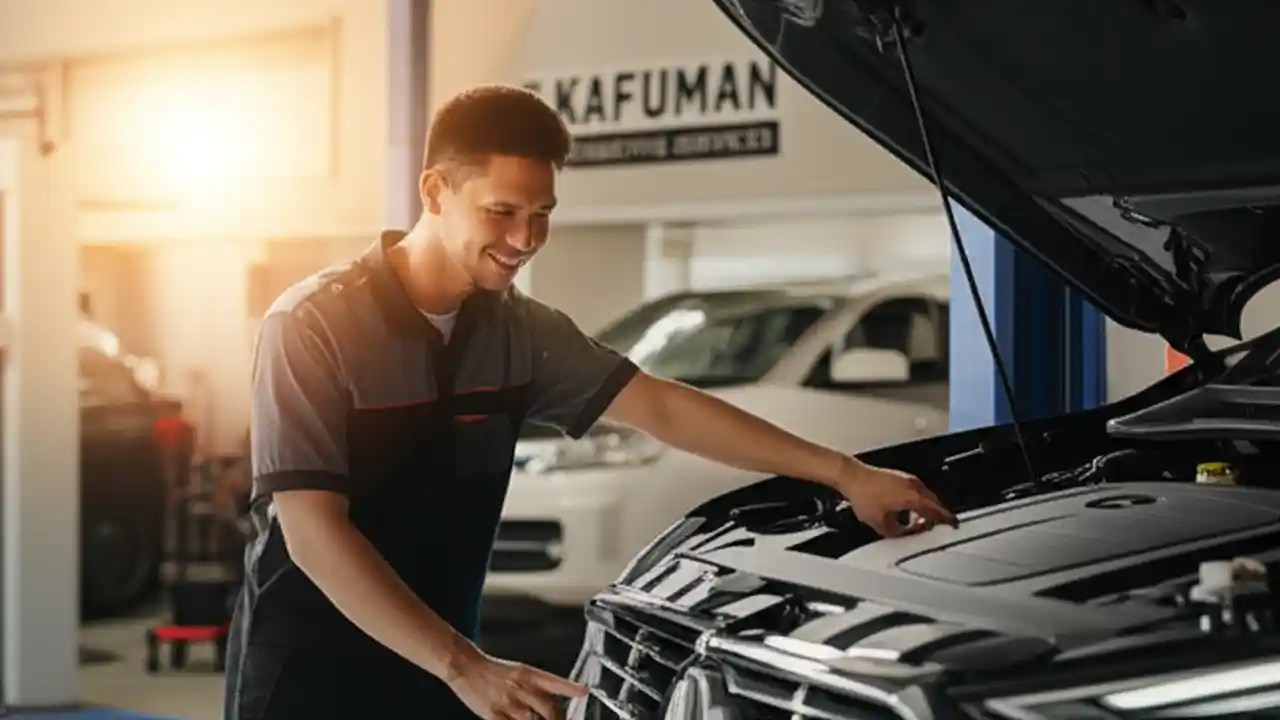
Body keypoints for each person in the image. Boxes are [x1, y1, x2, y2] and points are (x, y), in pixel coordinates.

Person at [223, 84, 958, 720]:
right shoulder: (313, 324)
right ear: (435, 192)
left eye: (541, 212)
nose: (525, 239)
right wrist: (464, 665)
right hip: (309, 676)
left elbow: (664, 408)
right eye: (502, 211)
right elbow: (315, 536)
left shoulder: (519, 332)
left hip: (444, 676)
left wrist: (845, 473)